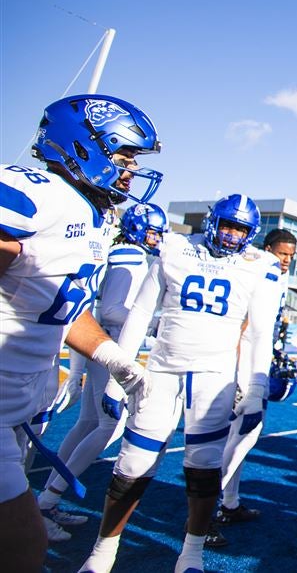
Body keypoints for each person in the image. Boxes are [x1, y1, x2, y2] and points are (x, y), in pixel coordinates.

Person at [78, 194, 282, 573]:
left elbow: (258, 334)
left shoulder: (261, 266)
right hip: (162, 369)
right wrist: (117, 377)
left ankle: (191, 554)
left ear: (251, 233)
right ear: (212, 222)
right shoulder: (174, 247)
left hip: (213, 375)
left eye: (241, 229)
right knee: (133, 463)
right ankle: (102, 553)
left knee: (203, 466)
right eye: (227, 225)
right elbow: (141, 313)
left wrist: (254, 390)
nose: (232, 235)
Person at [0, 94, 162, 571]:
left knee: (22, 547)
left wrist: (119, 362)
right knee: (23, 547)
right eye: (124, 155)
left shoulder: (89, 216)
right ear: (85, 146)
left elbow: (64, 308)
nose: (131, 169)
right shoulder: (42, 194)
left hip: (10, 412)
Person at [36, 203, 169, 542]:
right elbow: (111, 309)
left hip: (100, 346)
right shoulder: (129, 254)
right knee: (108, 427)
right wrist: (154, 322)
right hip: (106, 345)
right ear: (138, 229)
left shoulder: (128, 252)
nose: (156, 238)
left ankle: (46, 499)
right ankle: (48, 498)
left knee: (88, 423)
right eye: (152, 231)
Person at [208, 228, 297, 545]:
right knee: (243, 435)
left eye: (291, 255)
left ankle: (229, 504)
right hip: (242, 364)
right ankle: (208, 509)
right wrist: (235, 374)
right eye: (282, 253)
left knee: (241, 437)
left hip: (251, 359)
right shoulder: (259, 269)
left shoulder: (272, 272)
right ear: (268, 248)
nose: (286, 260)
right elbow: (242, 325)